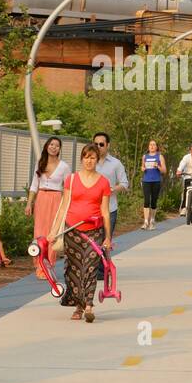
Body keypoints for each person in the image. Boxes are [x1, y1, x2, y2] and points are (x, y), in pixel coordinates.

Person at [48, 144, 113, 323]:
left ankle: (89, 305)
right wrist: (53, 232)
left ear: (97, 159)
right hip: (72, 230)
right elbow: (63, 206)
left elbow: (105, 211)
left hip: (94, 231)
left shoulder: (103, 182)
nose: (89, 160)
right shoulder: (71, 179)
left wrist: (108, 237)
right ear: (81, 159)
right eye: (86, 157)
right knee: (73, 270)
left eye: (92, 157)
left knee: (90, 268)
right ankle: (79, 305)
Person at [25, 136, 70, 270]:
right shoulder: (40, 163)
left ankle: (49, 264)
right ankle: (39, 265)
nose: (53, 147)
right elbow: (34, 185)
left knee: (53, 232)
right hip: (41, 199)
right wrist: (29, 203)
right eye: (51, 144)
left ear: (59, 149)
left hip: (56, 199)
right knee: (39, 231)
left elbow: (68, 188)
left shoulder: (64, 166)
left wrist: (67, 206)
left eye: (56, 145)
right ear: (46, 146)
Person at [93, 132, 130, 236]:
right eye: (95, 144)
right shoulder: (89, 161)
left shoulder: (116, 163)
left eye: (101, 144)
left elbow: (124, 183)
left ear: (108, 145)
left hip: (110, 209)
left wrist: (111, 189)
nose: (98, 147)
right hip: (91, 209)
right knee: (91, 245)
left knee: (105, 243)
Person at [140, 139, 166, 230]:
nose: (151, 146)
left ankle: (152, 221)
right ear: (148, 147)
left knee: (154, 201)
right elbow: (142, 167)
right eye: (150, 144)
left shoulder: (160, 156)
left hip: (156, 181)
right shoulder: (145, 156)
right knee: (147, 201)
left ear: (156, 147)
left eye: (154, 145)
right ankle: (145, 222)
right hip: (146, 180)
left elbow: (164, 170)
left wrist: (158, 166)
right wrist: (142, 168)